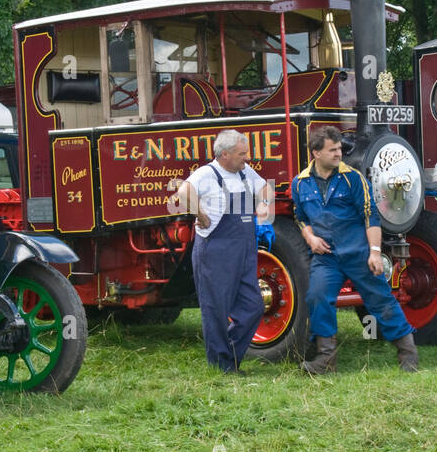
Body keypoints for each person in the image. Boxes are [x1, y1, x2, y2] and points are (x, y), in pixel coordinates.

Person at [292, 125, 418, 374]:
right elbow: (300, 216)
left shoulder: (353, 178)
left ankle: (408, 353)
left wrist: (374, 252)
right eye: (332, 150)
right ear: (316, 153)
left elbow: (371, 216)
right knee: (317, 297)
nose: (338, 154)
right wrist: (309, 238)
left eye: (339, 149)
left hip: (358, 253)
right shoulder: (300, 183)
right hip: (325, 256)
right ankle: (326, 359)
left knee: (380, 299)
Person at [171, 130, 272, 373]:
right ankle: (222, 367)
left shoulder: (245, 173)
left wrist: (263, 204)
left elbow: (265, 189)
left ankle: (230, 355)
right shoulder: (208, 173)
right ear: (224, 154)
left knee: (253, 307)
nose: (246, 159)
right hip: (215, 252)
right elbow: (183, 192)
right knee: (216, 310)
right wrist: (200, 214)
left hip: (244, 252)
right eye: (241, 154)